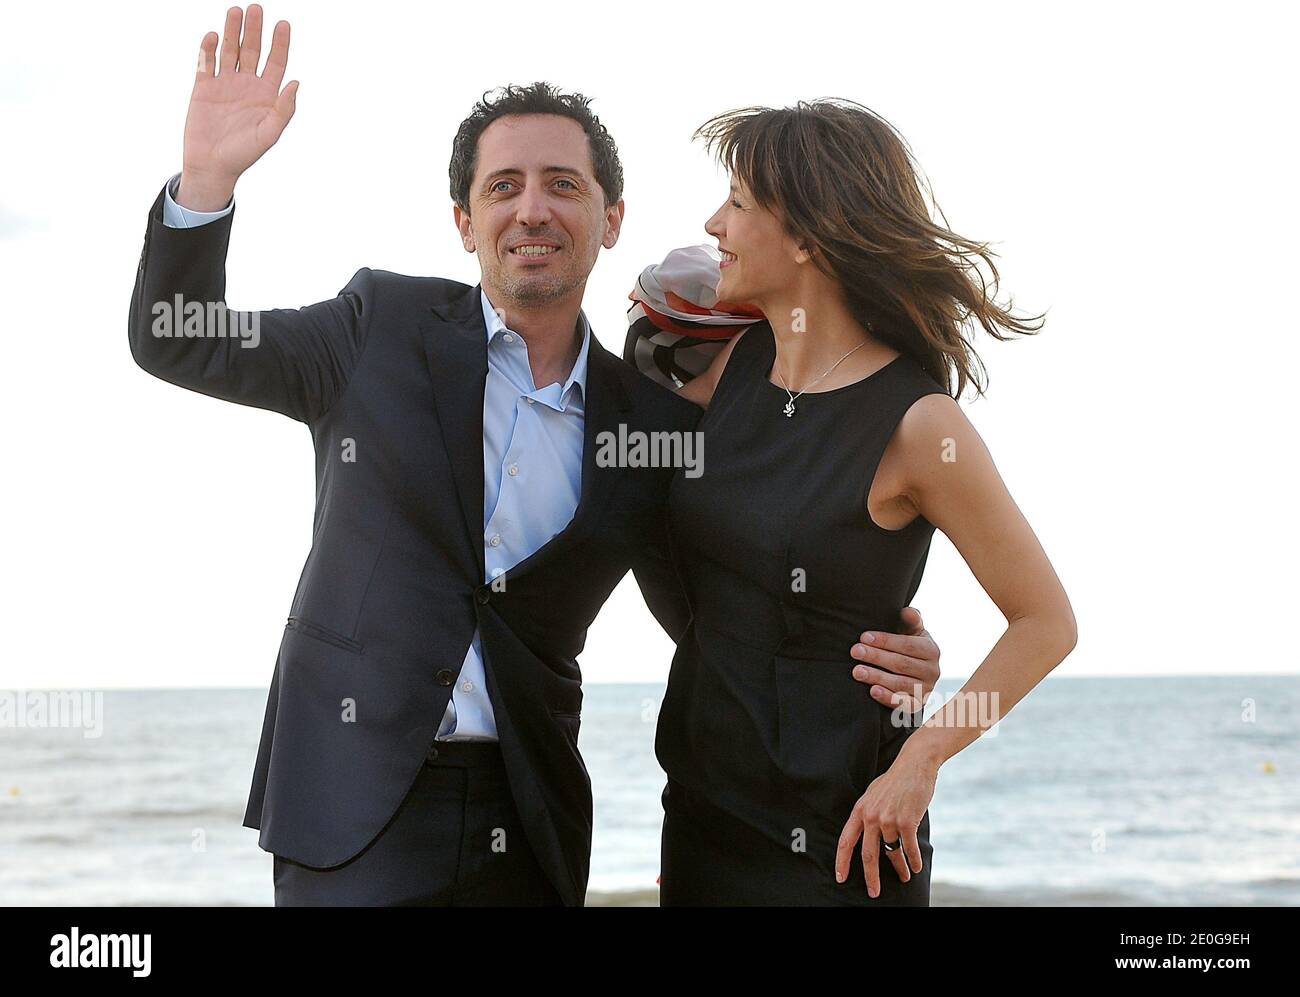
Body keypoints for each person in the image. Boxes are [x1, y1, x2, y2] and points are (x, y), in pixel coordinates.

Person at [126, 6, 944, 906]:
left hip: (530, 818)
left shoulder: (650, 424)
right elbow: (178, 339)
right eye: (503, 186)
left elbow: (725, 616)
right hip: (352, 810)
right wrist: (205, 183)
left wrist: (871, 652)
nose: (532, 208)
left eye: (562, 184)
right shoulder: (377, 326)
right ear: (463, 220)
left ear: (611, 217)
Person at [637, 100, 1077, 906]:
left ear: (807, 237)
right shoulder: (729, 369)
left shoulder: (921, 426)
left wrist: (922, 759)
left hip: (846, 842)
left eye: (737, 202)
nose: (713, 223)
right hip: (700, 823)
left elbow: (1046, 622)